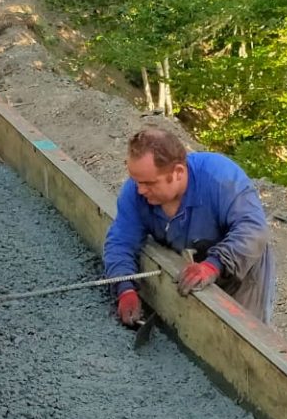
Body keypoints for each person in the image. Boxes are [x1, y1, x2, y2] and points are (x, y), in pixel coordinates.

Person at [103, 127, 276, 325]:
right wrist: (124, 288)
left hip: (241, 270)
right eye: (137, 182)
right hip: (191, 268)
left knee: (243, 337)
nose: (140, 190)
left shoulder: (220, 178)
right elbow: (121, 241)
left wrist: (214, 264)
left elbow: (254, 230)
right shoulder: (135, 192)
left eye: (149, 183)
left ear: (177, 172)